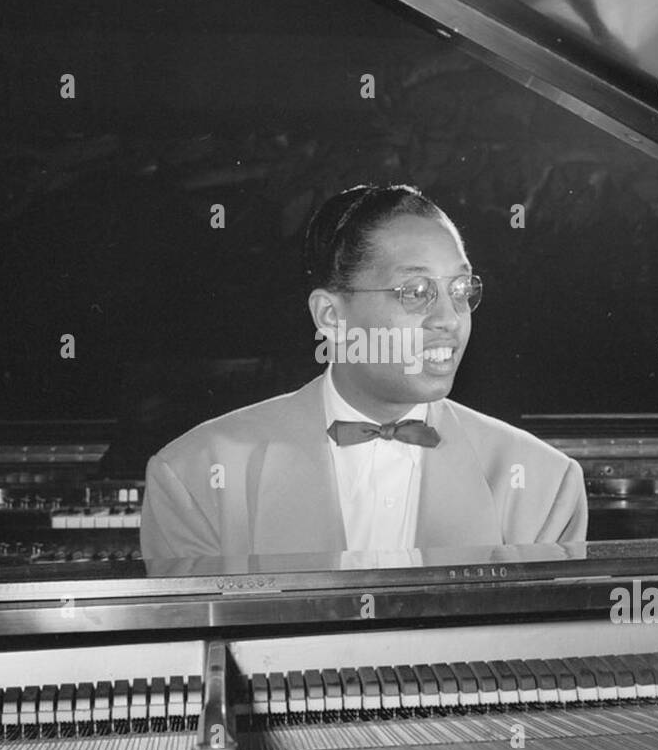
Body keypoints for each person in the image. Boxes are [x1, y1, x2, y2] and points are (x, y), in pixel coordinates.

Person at [140, 184, 588, 563]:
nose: (450, 320)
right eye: (416, 292)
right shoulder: (194, 479)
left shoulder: (544, 485)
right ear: (331, 317)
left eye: (459, 289)